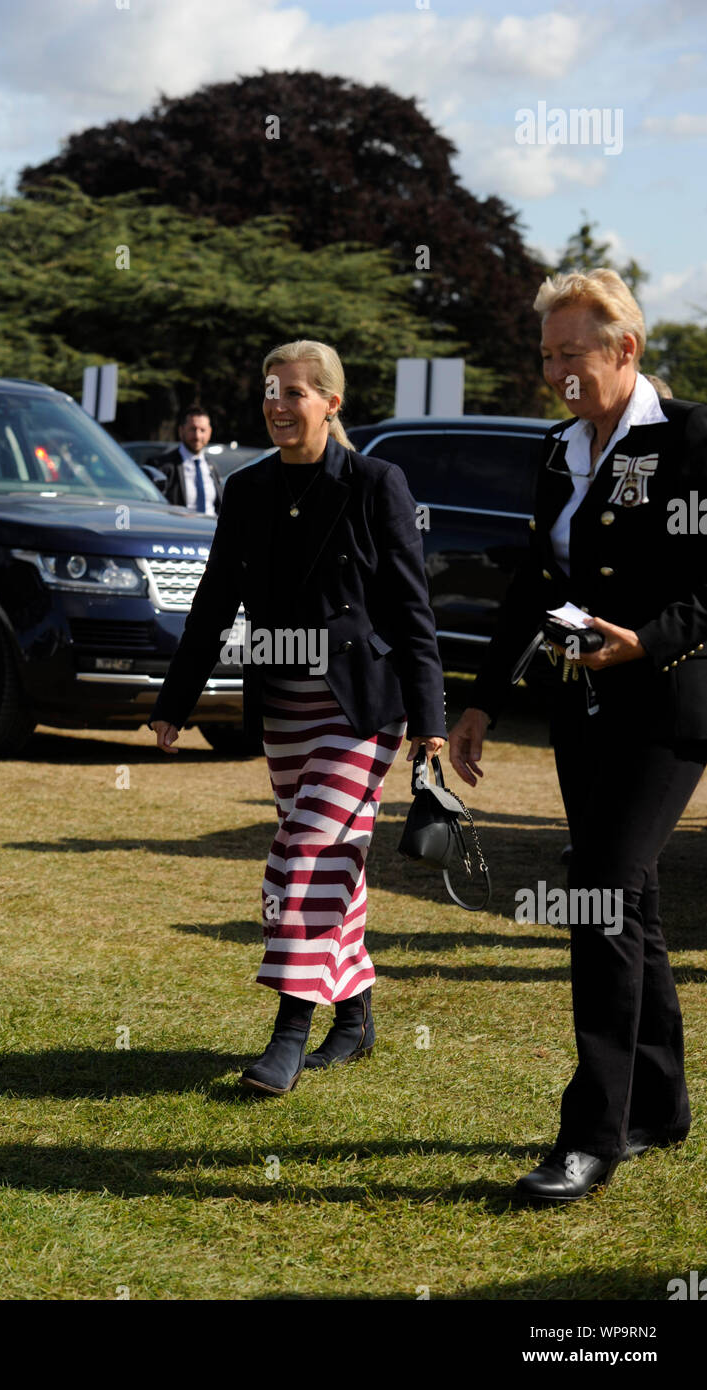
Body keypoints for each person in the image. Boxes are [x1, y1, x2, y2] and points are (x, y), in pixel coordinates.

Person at [449, 269, 707, 1202]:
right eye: (546, 353)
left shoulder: (690, 439)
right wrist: (478, 701)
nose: (554, 369)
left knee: (597, 893)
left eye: (571, 354)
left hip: (667, 705)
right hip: (578, 707)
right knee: (625, 900)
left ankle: (589, 1132)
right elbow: (532, 583)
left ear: (625, 350)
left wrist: (648, 640)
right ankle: (661, 1105)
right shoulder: (558, 447)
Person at [149, 340, 446, 1095]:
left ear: (330, 402)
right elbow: (215, 600)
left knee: (306, 853)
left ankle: (289, 1030)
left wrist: (429, 718)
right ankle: (355, 1020)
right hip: (282, 704)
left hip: (362, 707)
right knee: (334, 855)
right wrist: (174, 704)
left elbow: (412, 609)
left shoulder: (376, 483)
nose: (278, 404)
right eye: (269, 391)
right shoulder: (245, 489)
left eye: (294, 392)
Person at [157, 405, 223, 515]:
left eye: (202, 430)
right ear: (181, 431)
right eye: (192, 429)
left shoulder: (212, 466)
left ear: (209, 432)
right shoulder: (164, 467)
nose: (197, 436)